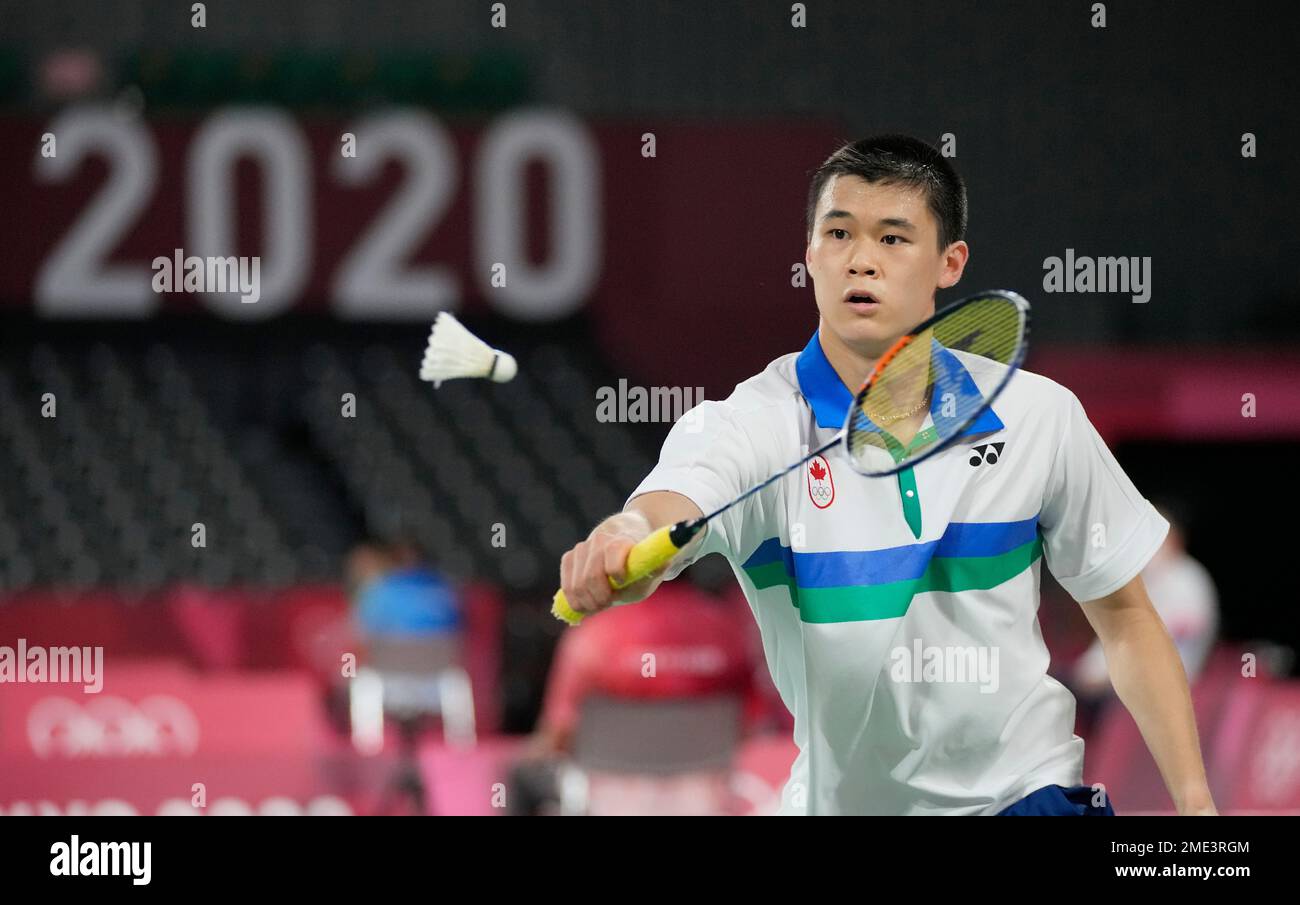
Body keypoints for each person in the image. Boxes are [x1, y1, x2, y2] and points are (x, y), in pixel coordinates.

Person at [557, 135, 1218, 816]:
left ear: (949, 262)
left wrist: (1198, 809)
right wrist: (625, 535)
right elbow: (670, 504)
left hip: (1026, 795)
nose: (861, 260)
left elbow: (1129, 621)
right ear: (810, 254)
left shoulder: (1039, 416)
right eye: (838, 233)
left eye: (893, 238)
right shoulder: (750, 423)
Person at [509, 577, 759, 816]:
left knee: (520, 775)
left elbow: (560, 729)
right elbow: (752, 720)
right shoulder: (725, 626)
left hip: (613, 790)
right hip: (704, 789)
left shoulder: (595, 634)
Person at [1071, 501, 1220, 733]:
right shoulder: (1140, 581)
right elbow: (1113, 632)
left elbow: (1170, 634)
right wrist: (1090, 669)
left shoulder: (1189, 580)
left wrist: (1109, 673)